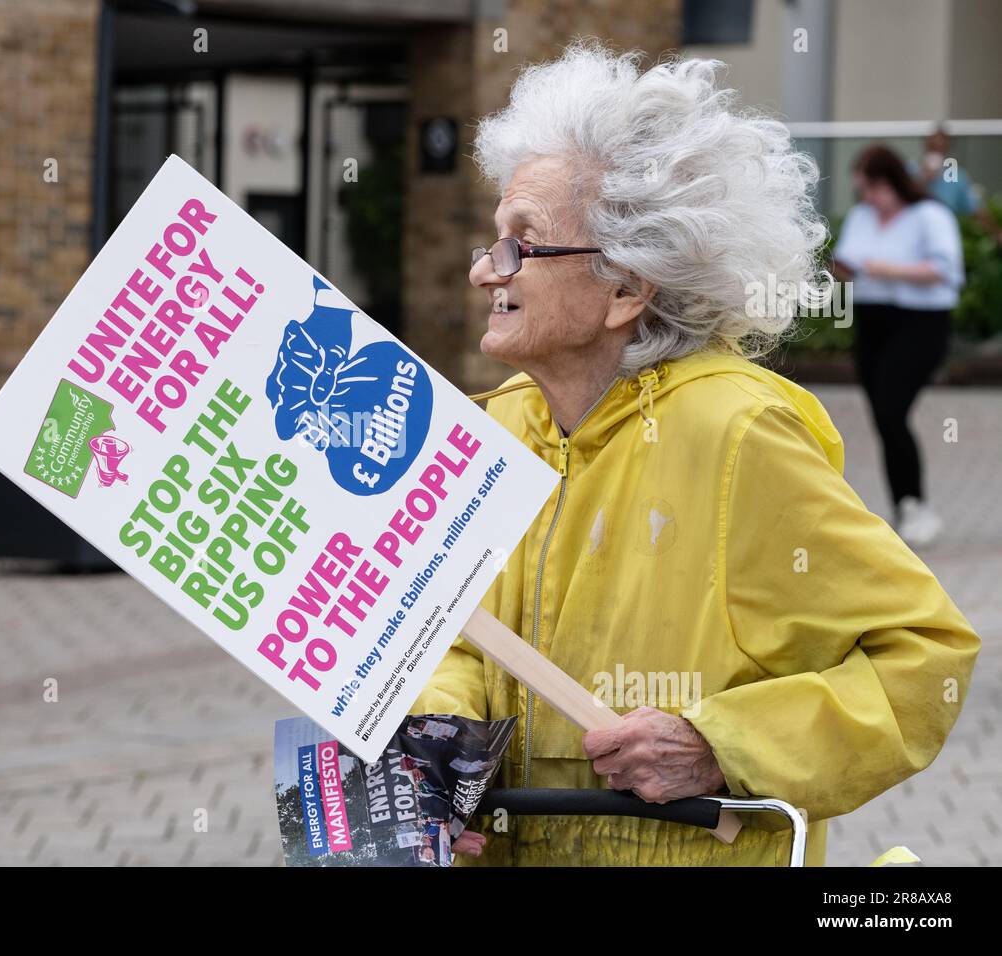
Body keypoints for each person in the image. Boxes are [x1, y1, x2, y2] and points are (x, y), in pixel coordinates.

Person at [411, 42, 979, 866]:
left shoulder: (735, 434)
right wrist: (442, 747)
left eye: (520, 244)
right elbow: (452, 635)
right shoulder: (496, 432)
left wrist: (721, 744)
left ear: (625, 289)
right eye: (490, 239)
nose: (479, 271)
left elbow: (926, 659)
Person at [832, 144, 965, 547]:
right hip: (873, 322)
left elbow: (946, 271)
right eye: (863, 191)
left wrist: (884, 268)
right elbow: (847, 265)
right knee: (883, 418)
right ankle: (904, 506)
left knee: (892, 409)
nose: (868, 198)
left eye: (872, 188)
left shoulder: (930, 216)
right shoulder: (861, 217)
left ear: (891, 182)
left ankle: (916, 504)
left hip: (919, 324)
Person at [913, 127, 1002, 240]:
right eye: (933, 147)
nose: (937, 152)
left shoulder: (957, 176)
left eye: (941, 148)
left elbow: (975, 209)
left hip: (944, 236)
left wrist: (996, 233)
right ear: (926, 146)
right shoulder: (911, 171)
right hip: (915, 233)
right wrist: (924, 177)